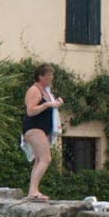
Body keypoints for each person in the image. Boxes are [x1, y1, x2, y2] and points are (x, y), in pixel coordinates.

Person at [21, 63, 64, 200]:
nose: (51, 78)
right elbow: (30, 110)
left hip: (40, 129)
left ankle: (32, 191)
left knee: (40, 159)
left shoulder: (46, 91)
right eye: (49, 75)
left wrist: (55, 103)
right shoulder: (34, 90)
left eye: (52, 75)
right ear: (41, 76)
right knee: (46, 158)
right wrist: (47, 104)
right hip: (34, 128)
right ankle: (33, 191)